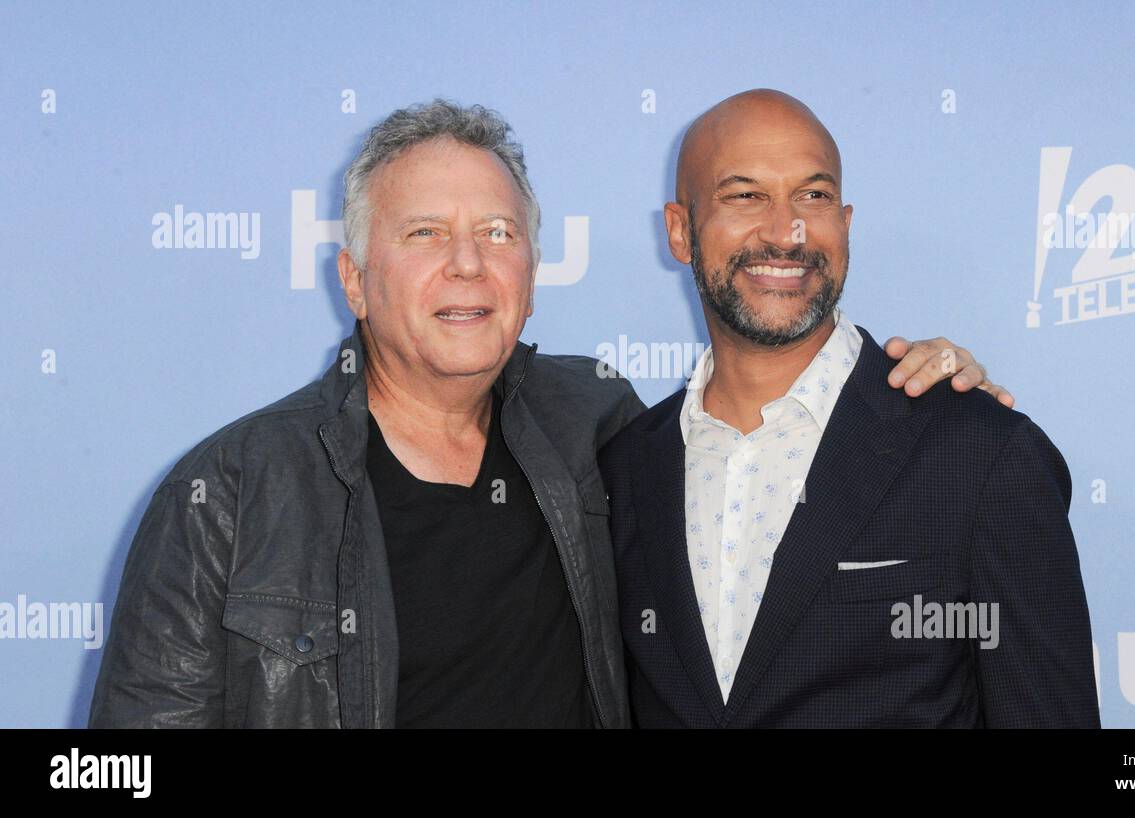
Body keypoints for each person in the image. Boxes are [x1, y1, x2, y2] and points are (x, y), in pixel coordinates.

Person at [89, 98, 1012, 728]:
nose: (466, 265)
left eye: (497, 235)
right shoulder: (231, 495)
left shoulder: (602, 434)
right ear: (354, 280)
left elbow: (768, 441)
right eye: (424, 235)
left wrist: (914, 390)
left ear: (530, 278)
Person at [600, 89, 1100, 728]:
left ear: (846, 222)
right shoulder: (623, 469)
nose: (787, 232)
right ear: (680, 230)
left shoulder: (981, 454)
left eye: (814, 196)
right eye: (745, 195)